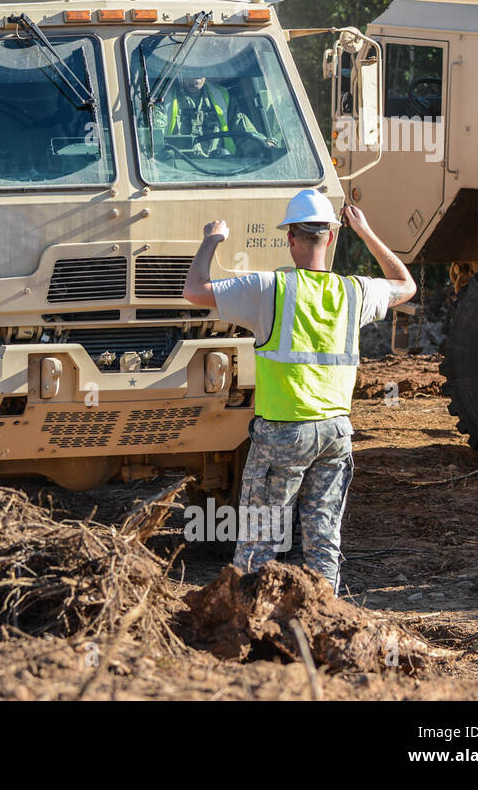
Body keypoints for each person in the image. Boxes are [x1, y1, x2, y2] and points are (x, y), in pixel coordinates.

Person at [182, 190, 417, 592]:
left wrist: (212, 239)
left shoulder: (268, 289)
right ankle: (327, 622)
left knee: (259, 543)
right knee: (323, 541)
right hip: (335, 434)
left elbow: (195, 290)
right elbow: (404, 284)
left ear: (290, 237)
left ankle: (249, 625)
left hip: (283, 435)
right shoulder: (354, 293)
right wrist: (366, 232)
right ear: (329, 238)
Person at [164, 75, 275, 156]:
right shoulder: (163, 98)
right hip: (177, 172)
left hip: (221, 169)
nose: (195, 75)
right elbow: (155, 134)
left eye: (199, 69)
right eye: (190, 69)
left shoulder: (222, 96)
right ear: (180, 71)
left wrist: (264, 145)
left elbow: (243, 129)